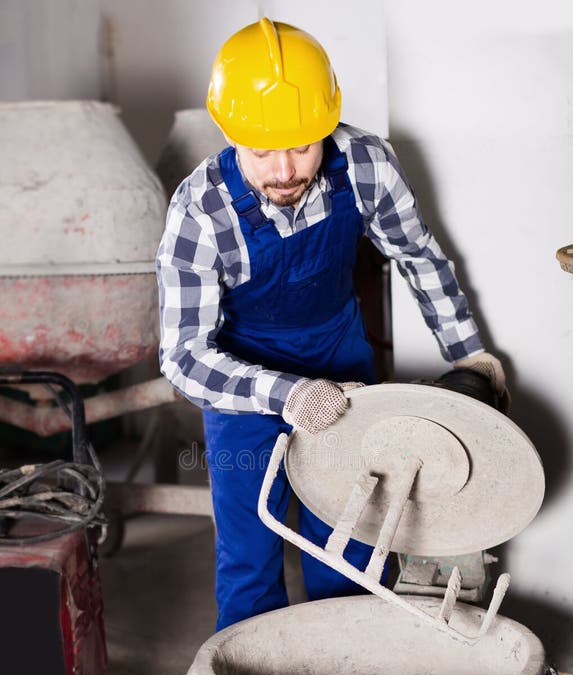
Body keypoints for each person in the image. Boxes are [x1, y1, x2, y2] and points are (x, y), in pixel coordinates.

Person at [156, 18, 506, 634]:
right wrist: (288, 395)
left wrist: (471, 355)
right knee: (249, 564)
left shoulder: (363, 162)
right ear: (231, 133)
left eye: (303, 145)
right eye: (263, 151)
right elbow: (184, 358)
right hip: (242, 394)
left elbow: (418, 257)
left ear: (327, 126)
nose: (286, 169)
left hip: (344, 367)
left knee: (352, 556)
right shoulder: (200, 211)